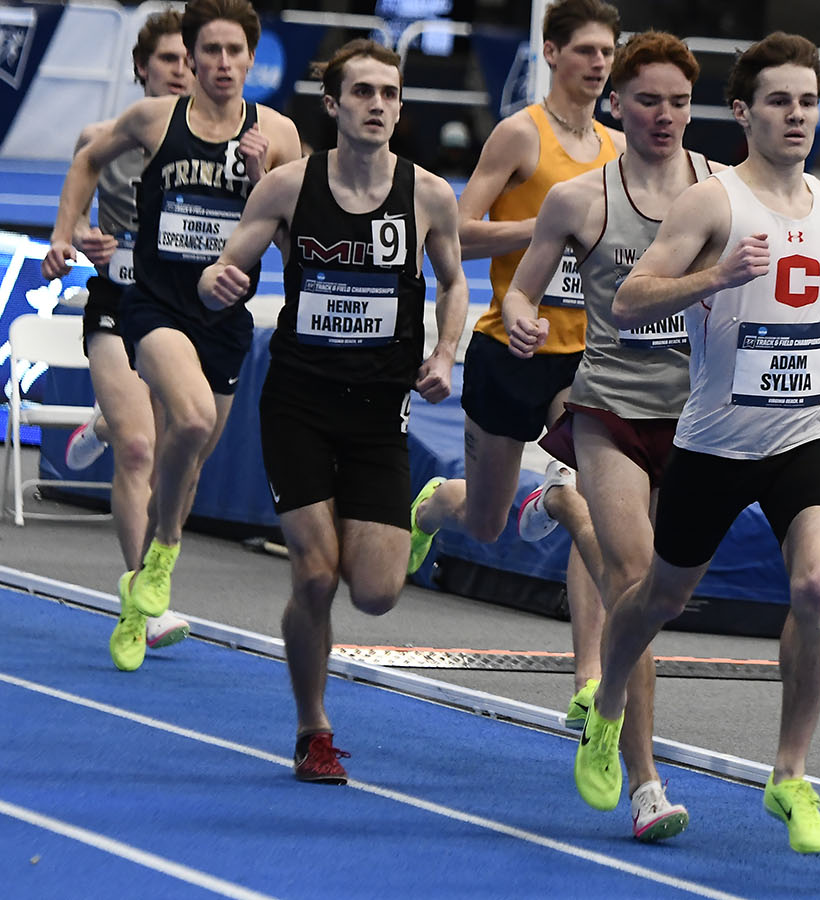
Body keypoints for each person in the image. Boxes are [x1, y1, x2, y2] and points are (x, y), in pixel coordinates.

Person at [576, 32, 820, 855]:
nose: (796, 115)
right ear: (743, 112)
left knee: (815, 587)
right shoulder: (711, 203)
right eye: (779, 100)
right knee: (660, 598)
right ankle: (606, 708)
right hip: (715, 438)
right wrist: (717, 278)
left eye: (808, 100)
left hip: (805, 432)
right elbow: (629, 301)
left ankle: (791, 774)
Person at [197, 39, 466, 784]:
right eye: (363, 93)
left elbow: (452, 285)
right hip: (300, 403)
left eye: (389, 94)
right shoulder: (287, 187)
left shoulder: (429, 195)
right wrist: (218, 281)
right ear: (333, 105)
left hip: (382, 410)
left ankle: (412, 515)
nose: (377, 105)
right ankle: (313, 726)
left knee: (375, 594)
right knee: (315, 577)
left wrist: (444, 354)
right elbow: (229, 262)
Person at [43, 0, 303, 672]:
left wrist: (257, 178)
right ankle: (149, 586)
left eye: (232, 52)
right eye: (206, 53)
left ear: (253, 57)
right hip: (144, 301)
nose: (219, 65)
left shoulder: (276, 134)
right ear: (190, 59)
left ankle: (154, 547)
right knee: (159, 436)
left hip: (222, 317)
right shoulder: (152, 121)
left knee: (186, 454)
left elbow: (291, 240)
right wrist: (65, 237)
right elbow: (86, 160)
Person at [504, 30, 717, 842]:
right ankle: (646, 782)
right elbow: (523, 295)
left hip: (699, 419)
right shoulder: (581, 199)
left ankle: (561, 506)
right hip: (609, 410)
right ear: (618, 104)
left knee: (664, 594)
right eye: (650, 101)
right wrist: (522, 323)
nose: (665, 116)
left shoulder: (722, 192)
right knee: (636, 580)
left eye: (679, 102)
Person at [408, 0, 624, 712]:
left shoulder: (620, 151)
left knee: (591, 505)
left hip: (585, 359)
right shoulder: (518, 136)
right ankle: (435, 504)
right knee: (487, 524)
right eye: (586, 50)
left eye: (607, 51)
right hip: (510, 346)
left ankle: (588, 680)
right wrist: (545, 230)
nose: (598, 63)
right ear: (553, 52)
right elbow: (456, 234)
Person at [47, 10, 195, 662]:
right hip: (116, 298)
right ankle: (140, 598)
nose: (181, 70)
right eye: (168, 60)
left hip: (182, 312)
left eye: (188, 60)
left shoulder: (220, 145)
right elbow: (76, 192)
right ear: (141, 68)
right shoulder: (103, 135)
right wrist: (74, 235)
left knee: (162, 446)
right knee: (139, 450)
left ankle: (98, 427)